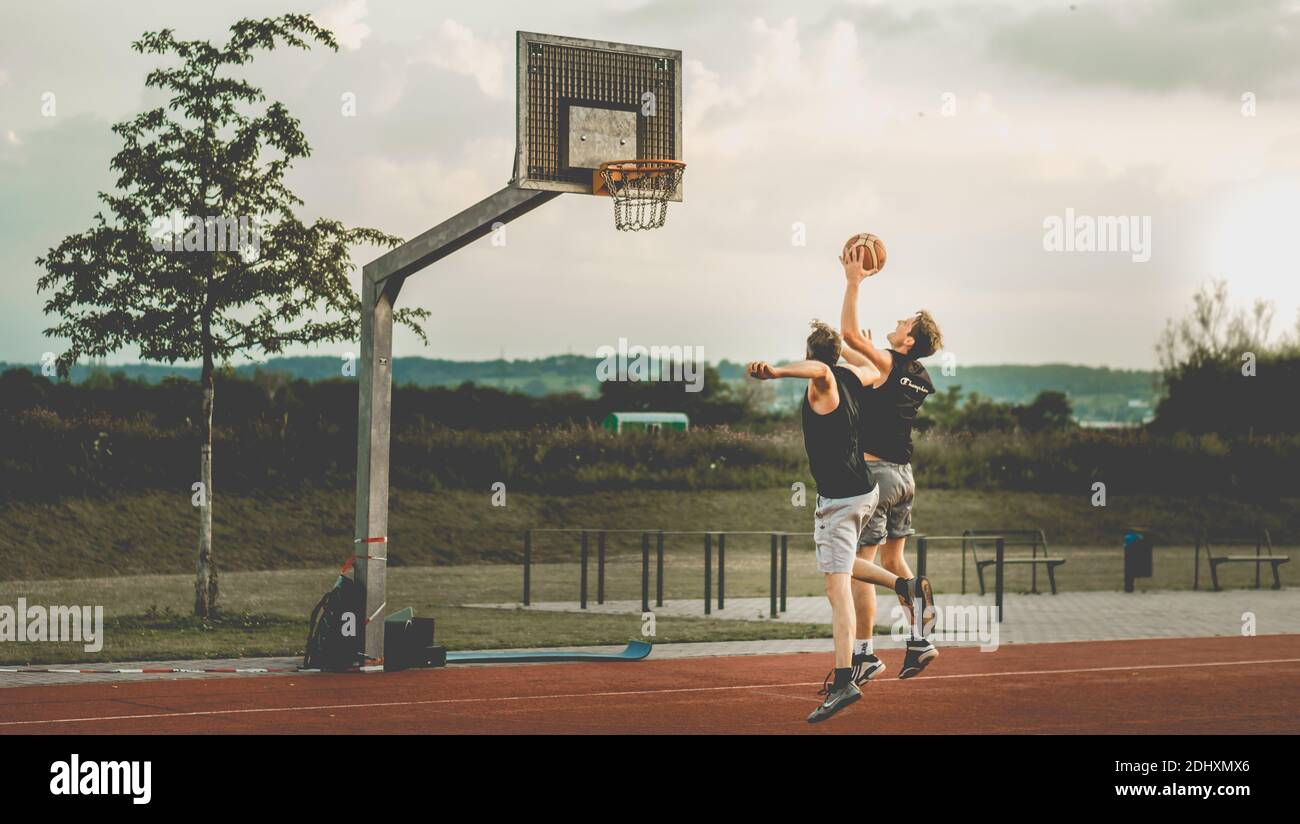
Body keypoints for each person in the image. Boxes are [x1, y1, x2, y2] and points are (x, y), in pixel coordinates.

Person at [748, 321, 929, 723]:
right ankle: (904, 585)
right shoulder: (856, 377)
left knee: (837, 588)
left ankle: (845, 679)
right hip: (864, 492)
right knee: (844, 567)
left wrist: (776, 371)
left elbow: (819, 370)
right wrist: (859, 347)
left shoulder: (825, 380)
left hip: (840, 500)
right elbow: (873, 369)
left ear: (809, 354)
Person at [839, 243, 944, 679]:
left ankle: (864, 654)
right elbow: (851, 352)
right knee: (895, 563)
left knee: (860, 568)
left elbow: (849, 338)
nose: (899, 321)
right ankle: (920, 638)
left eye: (905, 322)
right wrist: (856, 347)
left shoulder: (891, 362)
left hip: (879, 475)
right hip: (904, 478)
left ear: (909, 340)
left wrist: (853, 282)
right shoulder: (918, 375)